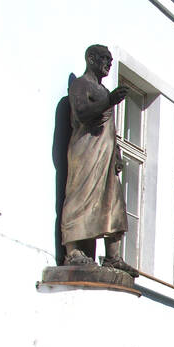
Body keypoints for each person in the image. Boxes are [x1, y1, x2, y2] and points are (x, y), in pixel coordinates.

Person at [61, 44, 135, 272]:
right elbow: (82, 113)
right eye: (105, 58)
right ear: (90, 58)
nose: (109, 64)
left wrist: (117, 154)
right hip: (86, 152)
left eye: (111, 60)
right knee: (81, 196)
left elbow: (111, 129)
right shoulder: (81, 85)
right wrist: (109, 101)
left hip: (105, 156)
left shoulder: (102, 91)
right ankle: (72, 251)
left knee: (114, 203)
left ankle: (113, 257)